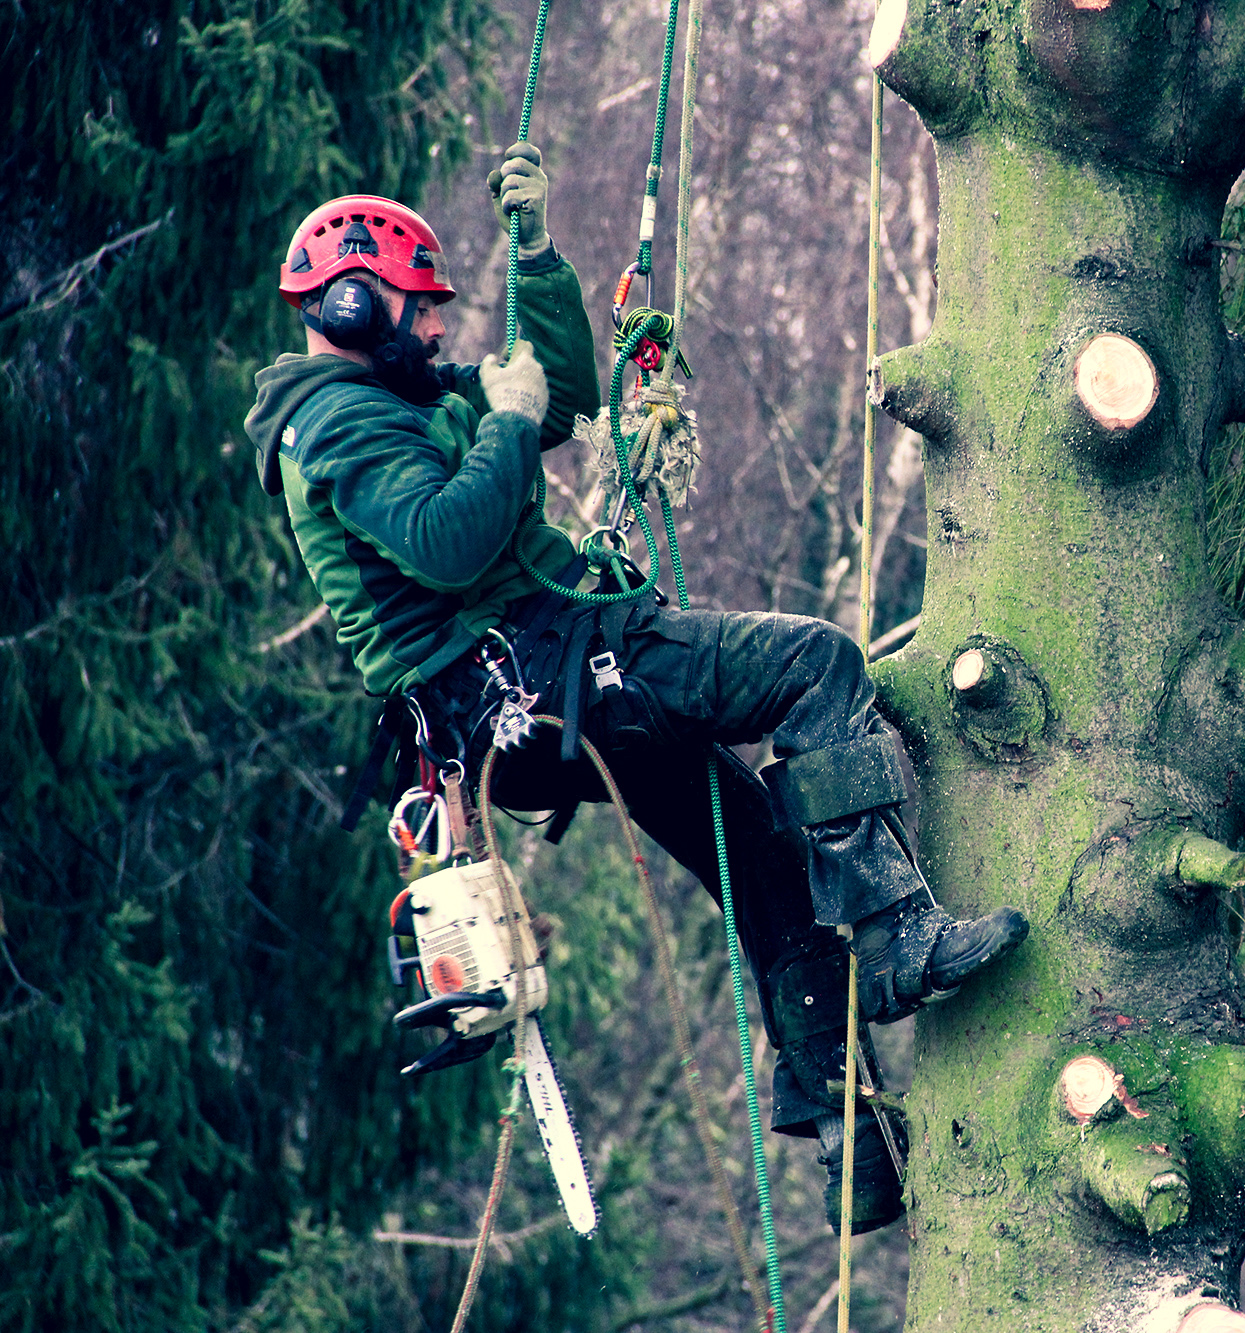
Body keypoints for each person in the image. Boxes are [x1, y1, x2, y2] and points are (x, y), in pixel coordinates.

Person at [242, 143, 1027, 1234]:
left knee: (756, 850)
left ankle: (851, 1137)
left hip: (546, 675)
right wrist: (506, 424)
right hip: (529, 681)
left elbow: (560, 396)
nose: (436, 332)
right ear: (356, 302)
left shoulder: (402, 396)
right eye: (421, 311)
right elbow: (447, 541)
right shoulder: (335, 423)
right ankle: (897, 933)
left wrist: (537, 257)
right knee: (814, 662)